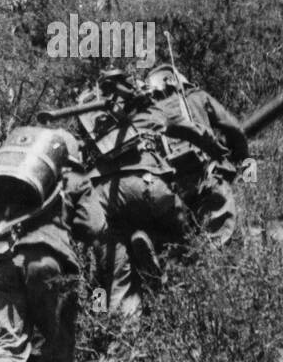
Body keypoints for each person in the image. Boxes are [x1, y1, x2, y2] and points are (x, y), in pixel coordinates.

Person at [0, 126, 95, 362]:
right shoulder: (74, 178)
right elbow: (95, 227)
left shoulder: (8, 176)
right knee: (58, 330)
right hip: (45, 261)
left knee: (6, 334)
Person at [73, 69, 189, 317]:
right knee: (182, 234)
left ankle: (107, 324)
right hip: (148, 185)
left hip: (103, 199)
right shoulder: (151, 113)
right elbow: (189, 134)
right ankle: (168, 285)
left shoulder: (89, 124)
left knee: (107, 270)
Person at [146, 64, 249, 243]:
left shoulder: (150, 115)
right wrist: (238, 157)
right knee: (222, 238)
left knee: (186, 242)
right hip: (208, 176)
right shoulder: (196, 97)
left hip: (173, 189)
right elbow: (234, 129)